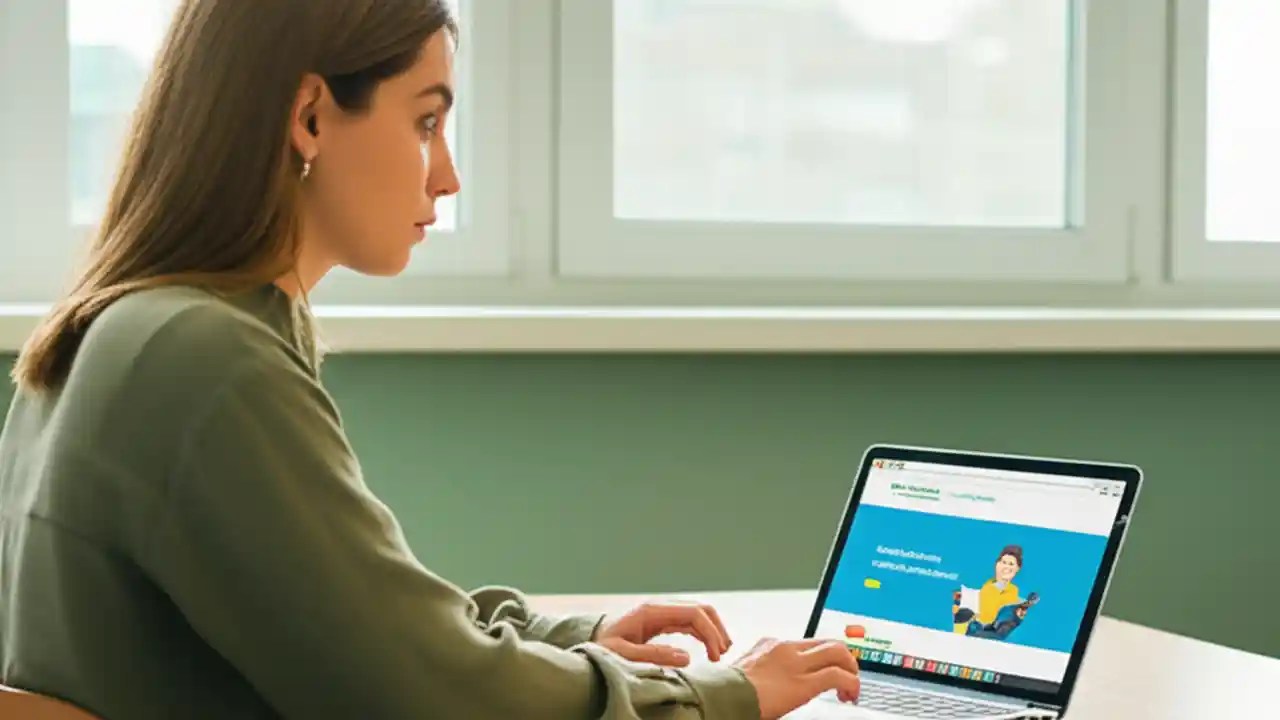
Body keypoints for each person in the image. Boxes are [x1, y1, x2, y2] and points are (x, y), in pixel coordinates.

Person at [0, 1, 862, 718]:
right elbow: (429, 693)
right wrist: (719, 695)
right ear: (310, 116)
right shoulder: (205, 358)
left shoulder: (124, 328)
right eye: (426, 122)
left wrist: (579, 640)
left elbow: (366, 625)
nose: (447, 176)